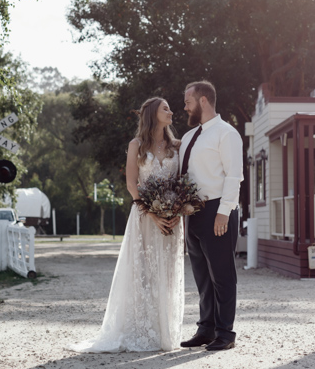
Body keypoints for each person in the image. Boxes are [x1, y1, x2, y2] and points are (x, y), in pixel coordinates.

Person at [69, 97, 184, 353]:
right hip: (145, 218)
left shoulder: (178, 145)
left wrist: (178, 212)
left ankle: (165, 333)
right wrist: (152, 213)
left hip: (173, 219)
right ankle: (139, 330)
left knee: (167, 274)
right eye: (166, 108)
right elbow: (132, 184)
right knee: (142, 273)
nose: (171, 111)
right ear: (154, 113)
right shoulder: (137, 145)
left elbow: (182, 182)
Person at [179, 80, 243, 351]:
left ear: (203, 101)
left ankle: (225, 333)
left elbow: (234, 175)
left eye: (188, 102)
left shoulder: (226, 133)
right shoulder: (189, 136)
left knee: (222, 275)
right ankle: (205, 329)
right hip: (192, 214)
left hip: (218, 211)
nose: (185, 107)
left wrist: (223, 213)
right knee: (202, 276)